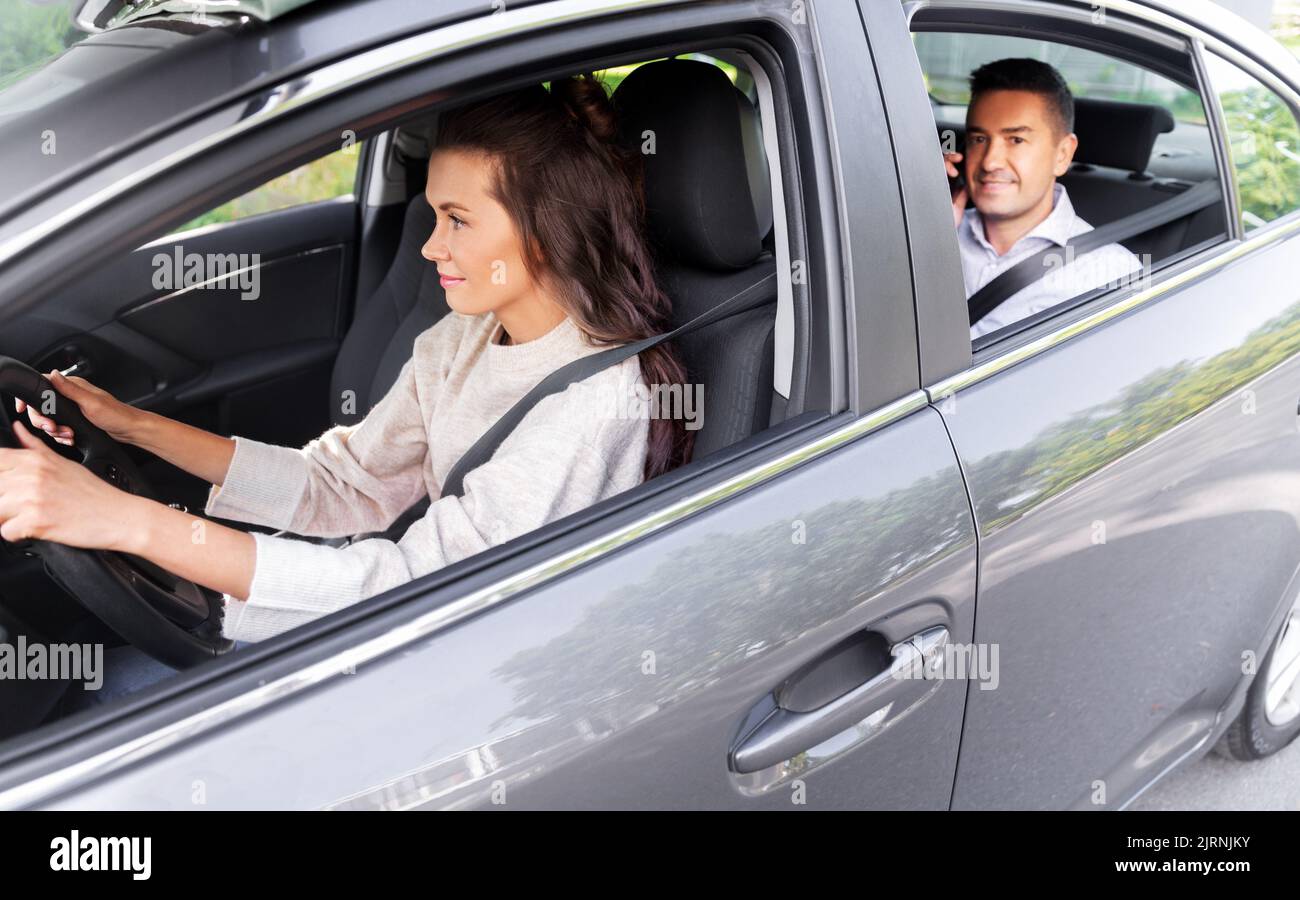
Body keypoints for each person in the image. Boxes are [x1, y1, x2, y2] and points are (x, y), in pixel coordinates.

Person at [0, 73, 692, 707]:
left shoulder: (595, 405)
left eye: (457, 219)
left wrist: (124, 520)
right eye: (433, 215)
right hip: (411, 622)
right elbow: (344, 482)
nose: (430, 247)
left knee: (98, 702)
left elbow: (412, 589)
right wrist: (129, 425)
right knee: (91, 687)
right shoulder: (466, 336)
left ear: (546, 228)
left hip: (475, 679)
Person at [943, 58, 1144, 339]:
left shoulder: (1108, 273)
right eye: (979, 139)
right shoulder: (935, 235)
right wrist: (925, 223)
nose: (989, 162)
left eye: (1016, 140)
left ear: (1062, 154)